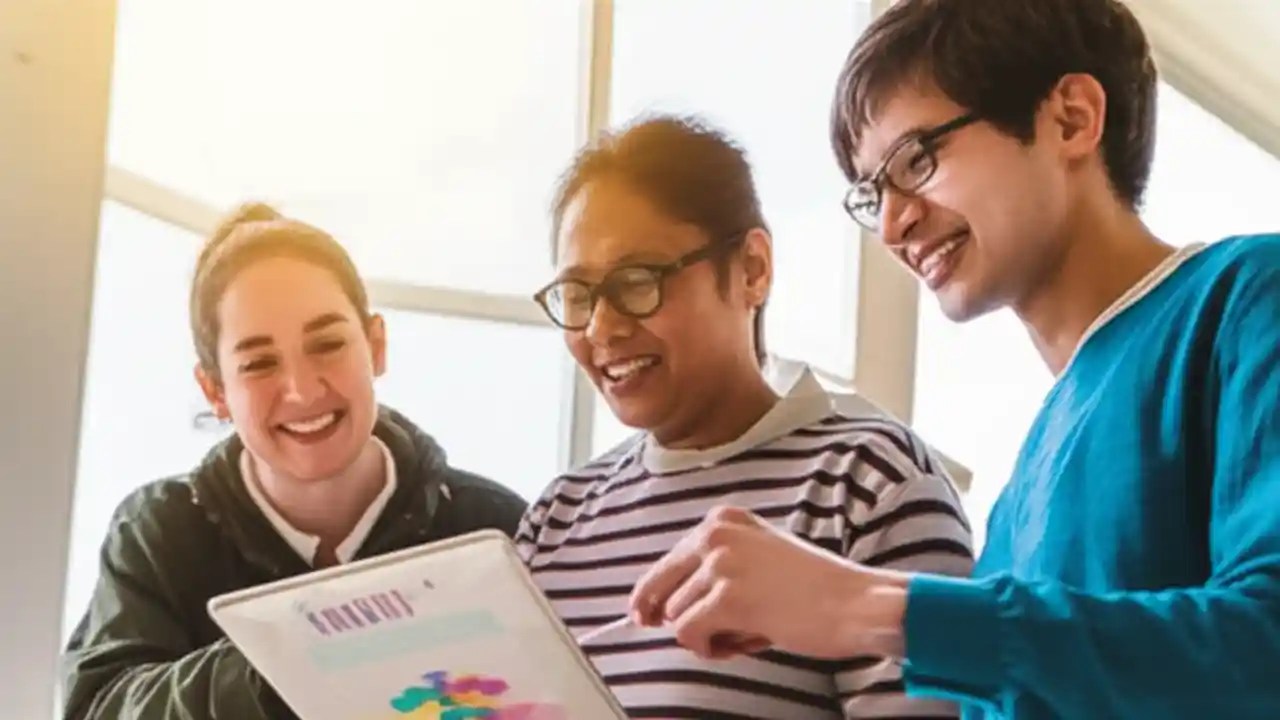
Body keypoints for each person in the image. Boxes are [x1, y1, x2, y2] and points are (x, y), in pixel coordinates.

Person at [626, 1, 1280, 718]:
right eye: (872, 193)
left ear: (1071, 118)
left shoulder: (1248, 301)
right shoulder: (1020, 494)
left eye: (917, 160)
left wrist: (865, 607)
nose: (893, 223)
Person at [518, 115, 973, 719]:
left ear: (752, 269)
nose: (603, 328)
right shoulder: (556, 520)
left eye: (637, 281)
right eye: (577, 295)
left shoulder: (867, 481)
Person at [61, 203, 527, 719]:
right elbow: (99, 708)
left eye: (327, 344)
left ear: (376, 347)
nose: (303, 391)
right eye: (259, 363)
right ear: (215, 390)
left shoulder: (492, 526)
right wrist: (293, 659)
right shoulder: (161, 530)